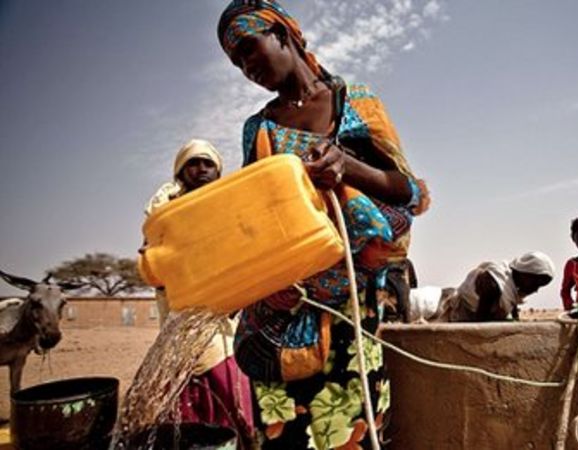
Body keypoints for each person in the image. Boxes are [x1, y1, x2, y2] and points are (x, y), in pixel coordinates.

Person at [216, 2, 429, 448]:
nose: (247, 66)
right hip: (280, 312)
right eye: (237, 62)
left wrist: (346, 166)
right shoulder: (260, 128)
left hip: (350, 311)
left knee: (352, 430)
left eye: (250, 49)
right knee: (284, 436)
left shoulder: (354, 102)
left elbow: (409, 192)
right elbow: (253, 214)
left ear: (282, 34)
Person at [143, 139, 254, 441]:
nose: (201, 169)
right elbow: (154, 260)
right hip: (181, 316)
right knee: (184, 395)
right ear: (180, 172)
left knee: (227, 385)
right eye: (193, 163)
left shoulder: (226, 207)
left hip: (221, 316)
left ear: (218, 171)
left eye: (208, 164)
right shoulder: (165, 207)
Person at [428, 251, 555, 322]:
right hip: (446, 309)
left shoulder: (512, 291)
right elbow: (482, 324)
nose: (536, 290)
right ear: (527, 273)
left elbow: (514, 318)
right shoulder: (494, 284)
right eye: (536, 284)